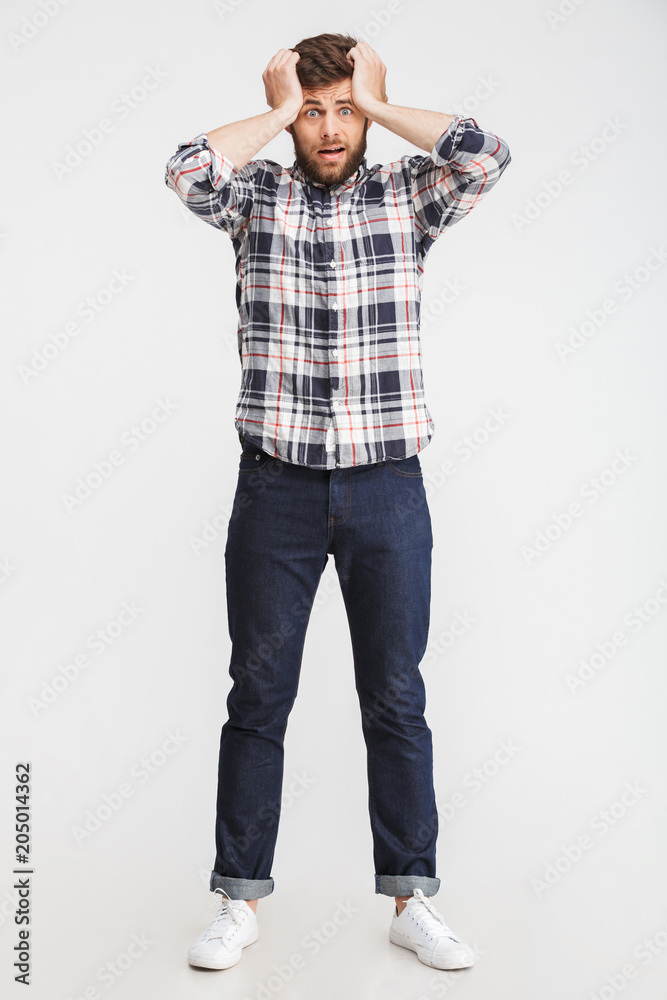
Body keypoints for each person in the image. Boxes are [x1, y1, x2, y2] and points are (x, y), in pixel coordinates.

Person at [164, 31, 511, 974]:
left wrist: (379, 98)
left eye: (343, 108)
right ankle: (238, 901)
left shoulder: (409, 194)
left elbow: (488, 154)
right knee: (257, 696)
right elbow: (185, 170)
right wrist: (277, 108)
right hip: (273, 486)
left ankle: (410, 897)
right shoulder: (256, 199)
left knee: (395, 699)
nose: (328, 128)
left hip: (387, 487)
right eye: (313, 110)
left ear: (370, 108)